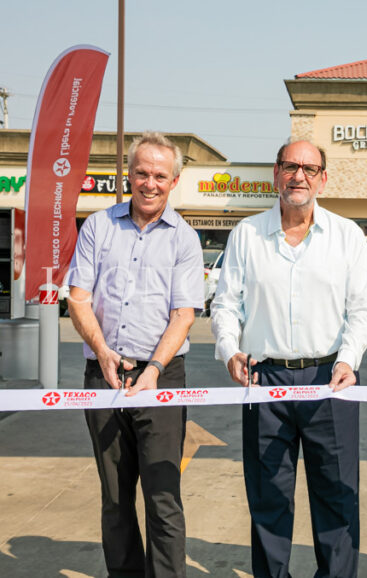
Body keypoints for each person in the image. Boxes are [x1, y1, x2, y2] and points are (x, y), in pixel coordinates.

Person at [211, 139, 367, 578]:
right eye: (290, 166)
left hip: (331, 381)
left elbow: (362, 309)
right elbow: (226, 304)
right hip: (264, 381)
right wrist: (231, 350)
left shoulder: (347, 236)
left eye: (309, 168)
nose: (298, 175)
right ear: (276, 173)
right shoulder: (246, 235)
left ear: (323, 178)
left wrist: (348, 360)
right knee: (268, 498)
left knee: (337, 497)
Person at [67, 131, 204, 577]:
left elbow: (184, 314)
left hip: (162, 376)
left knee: (163, 498)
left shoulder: (184, 238)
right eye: (142, 172)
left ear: (175, 180)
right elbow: (78, 297)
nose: (150, 183)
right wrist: (101, 350)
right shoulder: (99, 226)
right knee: (115, 498)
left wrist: (155, 369)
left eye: (160, 175)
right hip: (103, 373)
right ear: (129, 174)